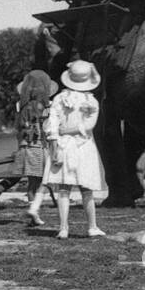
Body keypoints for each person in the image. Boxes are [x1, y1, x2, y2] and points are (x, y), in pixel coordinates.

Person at [28, 59, 107, 239]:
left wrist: (55, 141)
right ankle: (92, 226)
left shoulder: (59, 98)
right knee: (86, 188)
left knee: (64, 188)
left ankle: (64, 227)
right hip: (83, 146)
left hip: (63, 144)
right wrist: (69, 131)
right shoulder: (91, 101)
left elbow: (52, 123)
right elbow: (89, 125)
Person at [0, 70, 58, 206]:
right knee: (36, 180)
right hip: (39, 147)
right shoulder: (47, 107)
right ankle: (33, 206)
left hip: (24, 146)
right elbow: (49, 128)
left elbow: (20, 128)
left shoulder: (21, 106)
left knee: (24, 177)